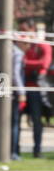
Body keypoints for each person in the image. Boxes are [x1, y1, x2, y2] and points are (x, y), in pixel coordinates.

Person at [21, 26, 50, 158]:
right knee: (14, 119)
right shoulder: (28, 47)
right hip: (24, 87)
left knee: (37, 121)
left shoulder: (43, 46)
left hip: (38, 89)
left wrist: (26, 63)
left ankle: (37, 150)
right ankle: (13, 149)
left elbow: (44, 64)